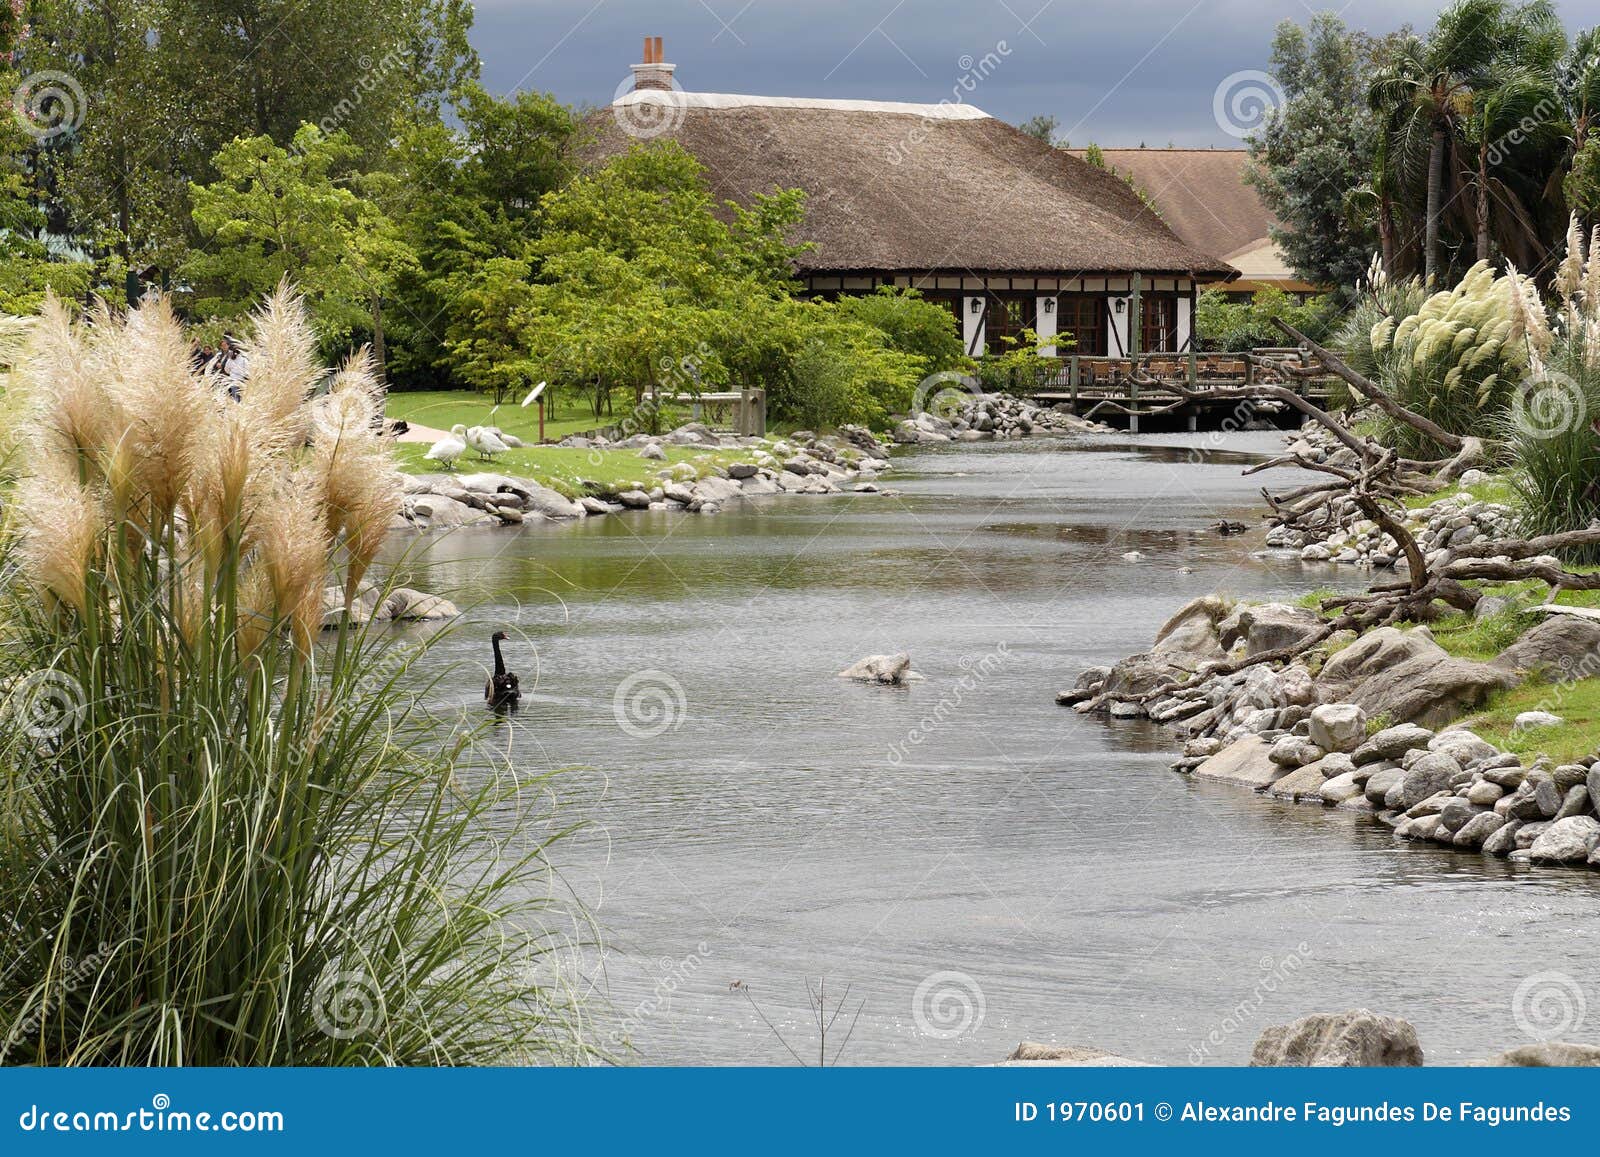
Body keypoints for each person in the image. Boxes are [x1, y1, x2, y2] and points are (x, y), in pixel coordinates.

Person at [212, 335, 249, 401]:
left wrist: (231, 372)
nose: (224, 347)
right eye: (222, 345)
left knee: (236, 397)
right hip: (225, 378)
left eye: (225, 345)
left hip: (233, 379)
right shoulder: (219, 355)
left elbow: (227, 369)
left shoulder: (231, 357)